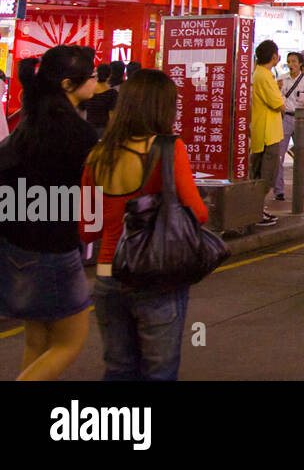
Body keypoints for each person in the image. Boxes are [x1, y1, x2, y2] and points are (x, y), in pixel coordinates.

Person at [80, 70, 209, 380]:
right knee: (159, 371)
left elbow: (88, 229)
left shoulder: (97, 155)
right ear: (162, 107)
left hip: (108, 274)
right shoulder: (168, 149)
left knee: (118, 369)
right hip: (156, 274)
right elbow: (199, 214)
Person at [0, 46, 98, 380]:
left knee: (38, 339)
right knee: (70, 340)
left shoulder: (28, 124)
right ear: (69, 84)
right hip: (54, 250)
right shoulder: (80, 135)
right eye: (93, 77)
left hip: (15, 245)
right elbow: (90, 199)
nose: (96, 84)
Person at [250, 40, 284, 227]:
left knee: (259, 173)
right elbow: (278, 104)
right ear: (274, 56)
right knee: (265, 174)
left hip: (262, 131)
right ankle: (257, 211)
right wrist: (280, 96)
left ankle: (257, 210)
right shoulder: (265, 75)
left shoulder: (260, 74)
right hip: (267, 133)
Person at [275, 52, 304, 201]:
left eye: (294, 61)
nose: (291, 64)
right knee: (279, 155)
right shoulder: (281, 79)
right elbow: (276, 98)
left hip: (300, 118)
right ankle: (278, 190)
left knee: (303, 156)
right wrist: (277, 88)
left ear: (300, 63)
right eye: (289, 61)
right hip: (285, 118)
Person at [81, 63, 120, 138]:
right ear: (109, 76)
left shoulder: (88, 90)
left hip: (87, 127)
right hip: (103, 129)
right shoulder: (112, 93)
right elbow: (111, 115)